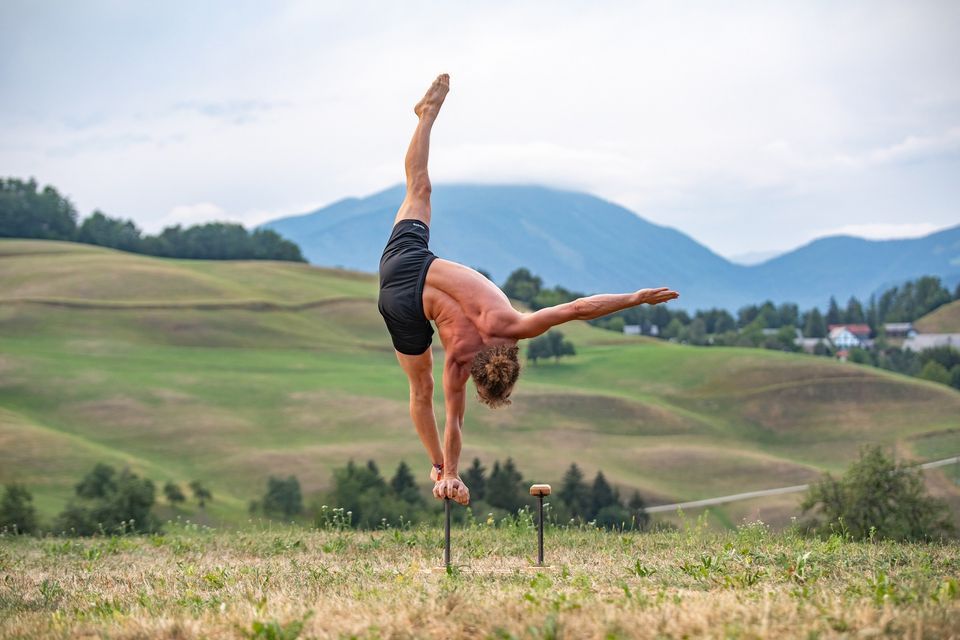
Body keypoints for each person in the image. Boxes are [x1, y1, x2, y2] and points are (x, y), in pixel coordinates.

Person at [378, 74, 680, 506]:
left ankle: (426, 117)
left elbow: (577, 308)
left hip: (410, 261)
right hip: (395, 295)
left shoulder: (513, 326)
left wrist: (633, 298)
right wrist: (450, 472)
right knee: (421, 390)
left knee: (419, 188)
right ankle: (436, 469)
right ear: (478, 375)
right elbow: (454, 423)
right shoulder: (459, 365)